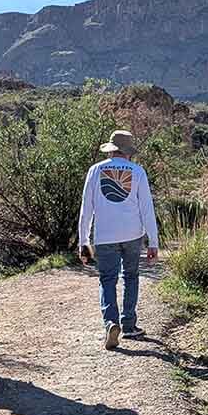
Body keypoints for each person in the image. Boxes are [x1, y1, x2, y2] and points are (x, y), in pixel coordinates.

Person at [78, 129, 159, 349]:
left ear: (112, 150)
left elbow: (86, 209)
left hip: (104, 236)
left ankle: (111, 323)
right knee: (131, 276)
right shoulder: (138, 171)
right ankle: (130, 326)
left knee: (107, 280)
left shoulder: (95, 170)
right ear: (128, 152)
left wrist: (83, 242)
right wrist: (153, 241)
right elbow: (147, 209)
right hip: (133, 234)